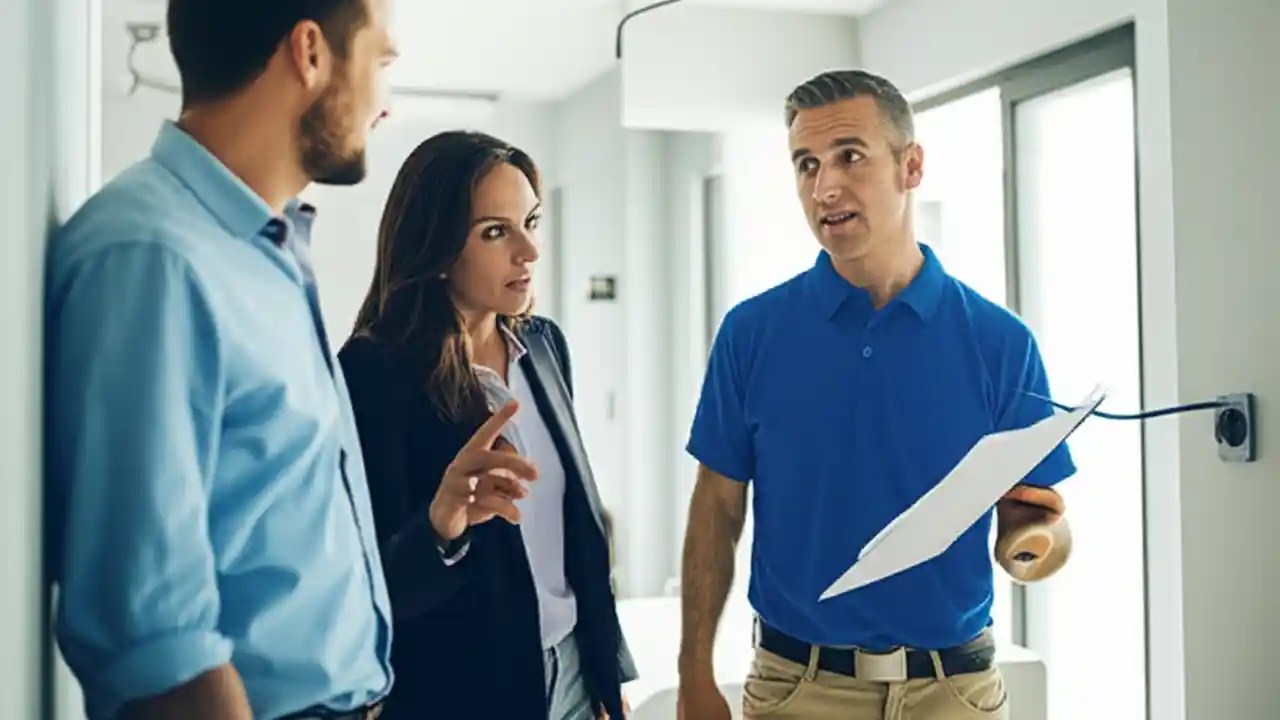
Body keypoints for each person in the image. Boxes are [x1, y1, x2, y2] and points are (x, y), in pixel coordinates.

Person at [676, 70, 1077, 720]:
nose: (823, 185)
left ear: (910, 166)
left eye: (849, 157)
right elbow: (716, 510)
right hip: (797, 690)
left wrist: (1033, 543)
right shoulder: (751, 333)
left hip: (955, 692)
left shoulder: (1001, 343)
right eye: (806, 164)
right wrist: (693, 672)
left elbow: (1039, 524)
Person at [44, 1, 406, 718]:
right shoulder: (151, 257)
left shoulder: (261, 251)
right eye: (381, 63)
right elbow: (155, 640)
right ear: (310, 51)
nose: (386, 105)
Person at [337, 130, 637, 720]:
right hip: (461, 695)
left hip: (573, 675)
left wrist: (605, 671)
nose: (530, 250)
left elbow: (577, 531)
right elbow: (362, 590)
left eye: (532, 221)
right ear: (439, 248)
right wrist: (441, 525)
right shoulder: (373, 370)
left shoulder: (544, 345)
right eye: (496, 232)